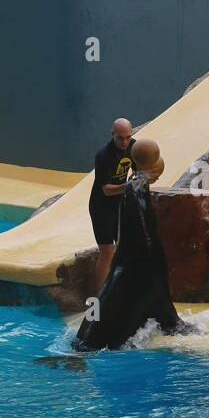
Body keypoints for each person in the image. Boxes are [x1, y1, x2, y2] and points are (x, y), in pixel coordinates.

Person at [89, 118, 136, 290]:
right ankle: (99, 299)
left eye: (128, 137)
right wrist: (129, 185)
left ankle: (122, 291)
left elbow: (139, 170)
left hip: (119, 204)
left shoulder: (133, 147)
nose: (124, 142)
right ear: (112, 135)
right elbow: (107, 190)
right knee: (107, 252)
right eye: (120, 138)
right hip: (101, 207)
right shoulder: (104, 156)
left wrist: (145, 175)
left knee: (125, 249)